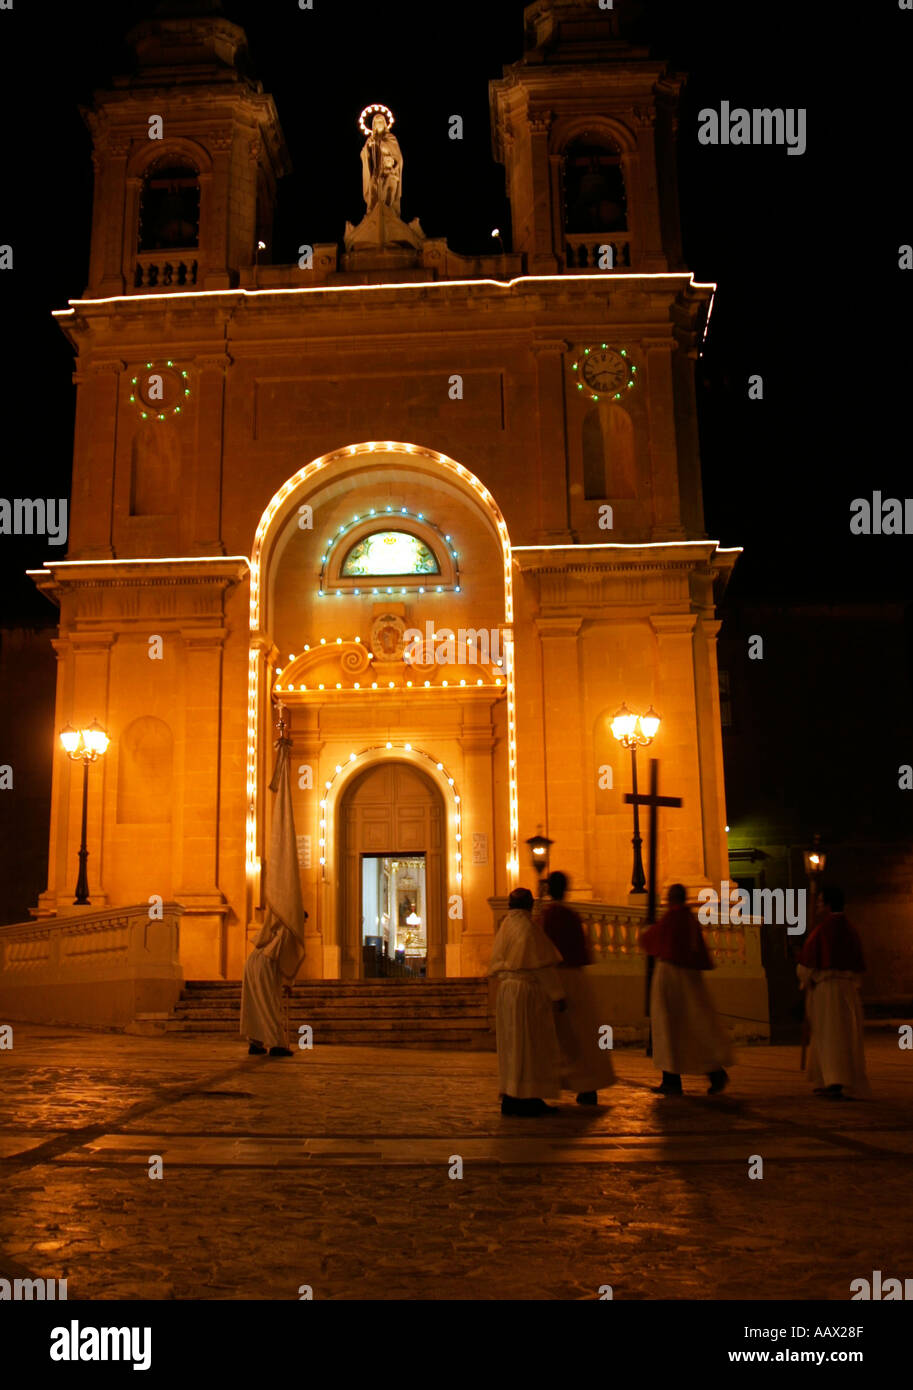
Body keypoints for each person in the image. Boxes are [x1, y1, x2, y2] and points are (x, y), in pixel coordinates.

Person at [639, 883, 732, 1095]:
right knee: (696, 1028)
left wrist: (646, 928)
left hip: (671, 976)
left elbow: (652, 939)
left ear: (672, 899)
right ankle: (715, 1073)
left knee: (668, 1028)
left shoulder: (674, 918)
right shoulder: (689, 919)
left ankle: (671, 1080)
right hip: (690, 979)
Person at [488, 887, 566, 1116]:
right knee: (530, 1045)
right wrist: (558, 995)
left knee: (512, 1047)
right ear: (530, 905)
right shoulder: (528, 929)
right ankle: (529, 1097)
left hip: (507, 992)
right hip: (526, 994)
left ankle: (512, 1096)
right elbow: (541, 965)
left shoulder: (506, 926)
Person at [541, 870, 615, 1105]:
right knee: (582, 1033)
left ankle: (551, 1083)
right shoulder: (571, 915)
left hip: (555, 977)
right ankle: (587, 1085)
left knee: (556, 1035)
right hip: (577, 978)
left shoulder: (546, 916)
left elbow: (540, 948)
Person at [797, 885, 869, 1100]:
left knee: (829, 1035)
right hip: (847, 990)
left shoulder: (822, 930)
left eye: (820, 901)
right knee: (845, 1035)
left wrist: (805, 979)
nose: (818, 905)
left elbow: (806, 966)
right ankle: (829, 1079)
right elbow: (858, 967)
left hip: (826, 990)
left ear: (828, 905)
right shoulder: (851, 930)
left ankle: (834, 1081)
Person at [241, 911, 308, 1057]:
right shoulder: (288, 930)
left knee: (255, 1003)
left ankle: (255, 1041)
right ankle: (277, 1044)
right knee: (270, 1003)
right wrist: (289, 982)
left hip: (253, 960)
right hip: (266, 962)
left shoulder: (276, 926)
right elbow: (286, 958)